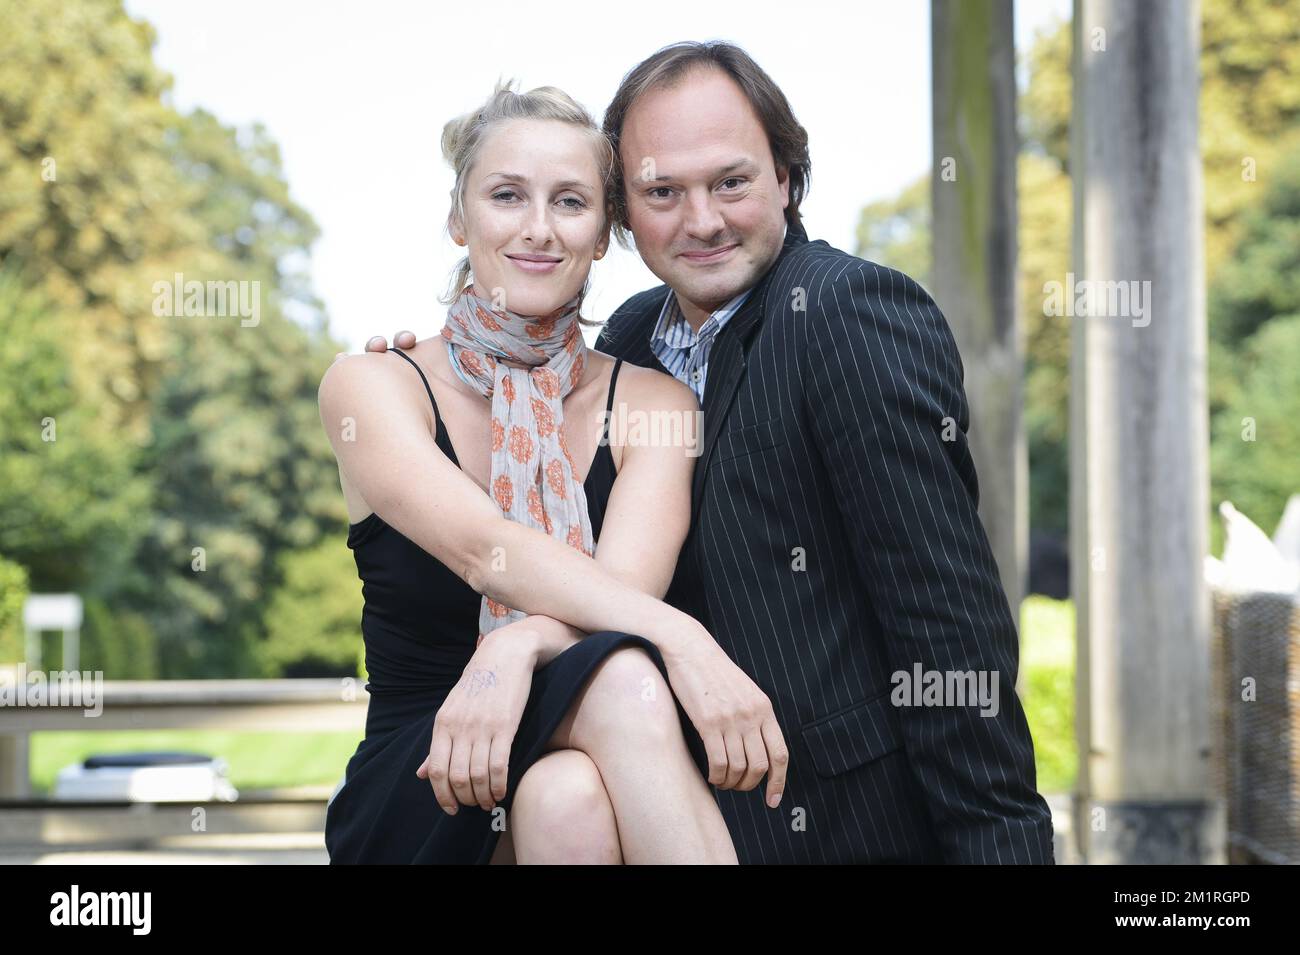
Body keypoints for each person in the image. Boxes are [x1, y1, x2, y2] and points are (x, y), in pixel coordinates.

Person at [369, 42, 1055, 864]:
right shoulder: (628, 347)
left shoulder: (846, 314)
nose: (701, 220)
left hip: (836, 827)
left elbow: (948, 630)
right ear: (625, 214)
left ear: (787, 180)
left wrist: (1003, 848)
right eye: (663, 191)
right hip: (651, 806)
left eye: (731, 181)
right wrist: (431, 368)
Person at [321, 80, 787, 864]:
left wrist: (512, 647)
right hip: (426, 766)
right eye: (508, 195)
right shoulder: (373, 384)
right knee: (628, 677)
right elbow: (481, 547)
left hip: (585, 759)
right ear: (457, 217)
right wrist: (687, 641)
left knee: (567, 788)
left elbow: (619, 597)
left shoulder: (654, 402)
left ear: (604, 233)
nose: (539, 230)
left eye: (570, 202)